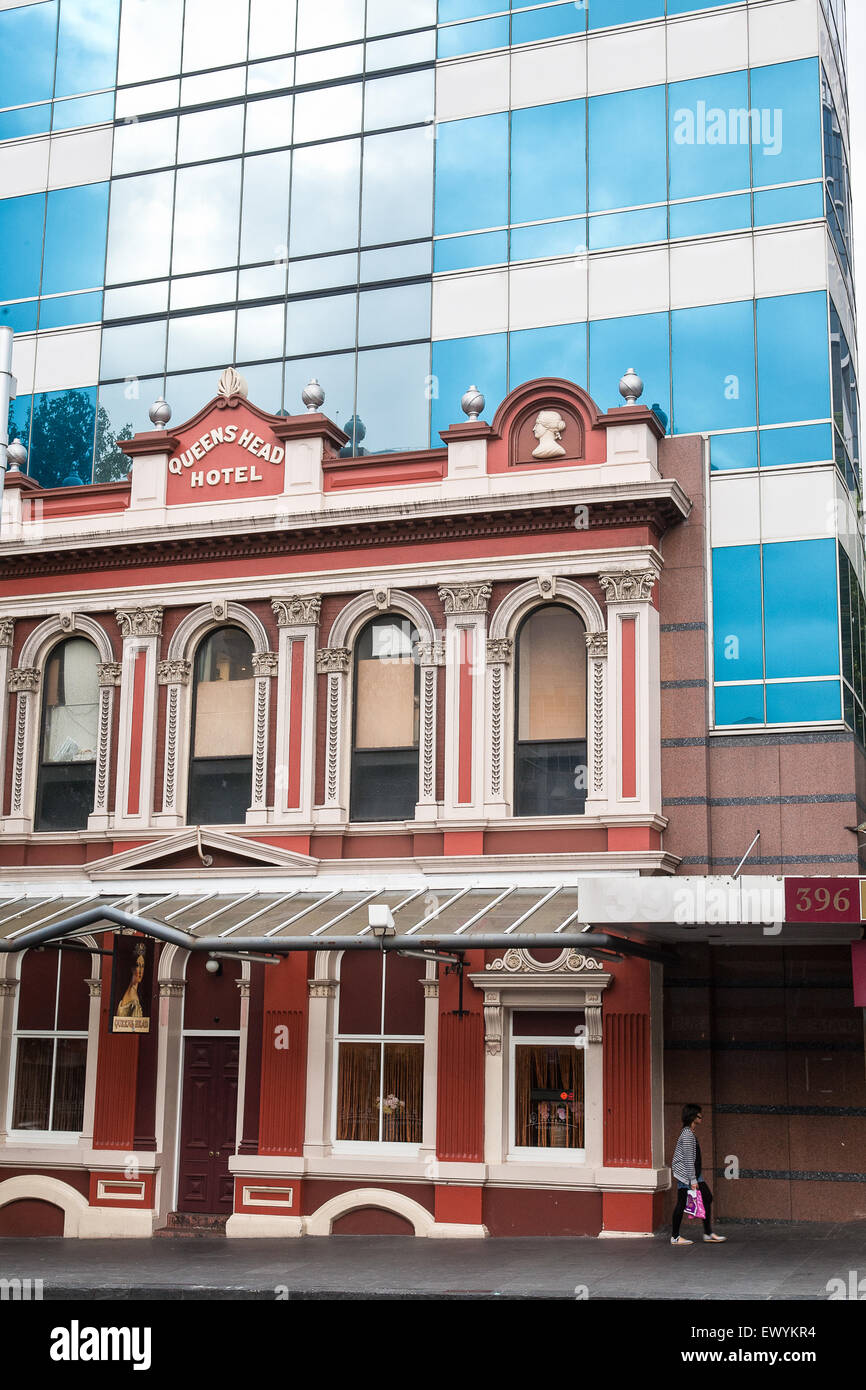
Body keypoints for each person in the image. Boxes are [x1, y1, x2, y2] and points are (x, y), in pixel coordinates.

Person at [670, 1102, 727, 1245]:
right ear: (693, 1116)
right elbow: (688, 1159)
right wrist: (693, 1180)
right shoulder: (688, 1134)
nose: (701, 1116)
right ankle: (675, 1237)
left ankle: (707, 1233)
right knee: (682, 1203)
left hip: (692, 1174)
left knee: (706, 1197)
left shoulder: (689, 1133)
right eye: (699, 1114)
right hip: (687, 1175)